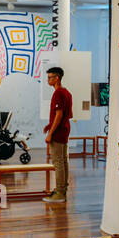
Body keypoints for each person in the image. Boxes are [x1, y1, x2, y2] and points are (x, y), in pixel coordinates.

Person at [43, 65, 73, 204]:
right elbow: (67, 115)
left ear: (57, 78)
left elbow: (59, 114)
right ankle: (62, 189)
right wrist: (49, 126)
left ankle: (60, 192)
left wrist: (51, 133)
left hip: (59, 133)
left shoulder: (58, 93)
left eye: (50, 77)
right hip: (64, 130)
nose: (48, 80)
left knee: (58, 163)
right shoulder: (67, 92)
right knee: (63, 161)